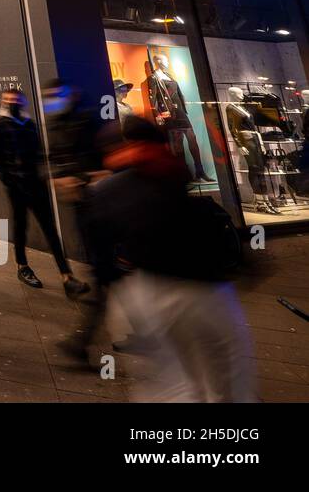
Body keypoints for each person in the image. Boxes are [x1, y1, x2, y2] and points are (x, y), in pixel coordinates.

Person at [85, 117, 256, 401]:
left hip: (154, 290)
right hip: (208, 289)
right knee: (223, 374)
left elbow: (101, 251)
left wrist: (115, 283)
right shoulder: (174, 169)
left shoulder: (111, 190)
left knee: (174, 378)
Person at [0, 88, 87, 296]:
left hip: (35, 183)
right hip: (16, 186)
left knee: (49, 228)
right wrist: (9, 180)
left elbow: (39, 152)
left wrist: (44, 174)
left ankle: (66, 276)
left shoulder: (29, 123)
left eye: (15, 99)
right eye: (8, 100)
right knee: (20, 225)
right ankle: (22, 266)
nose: (12, 103)